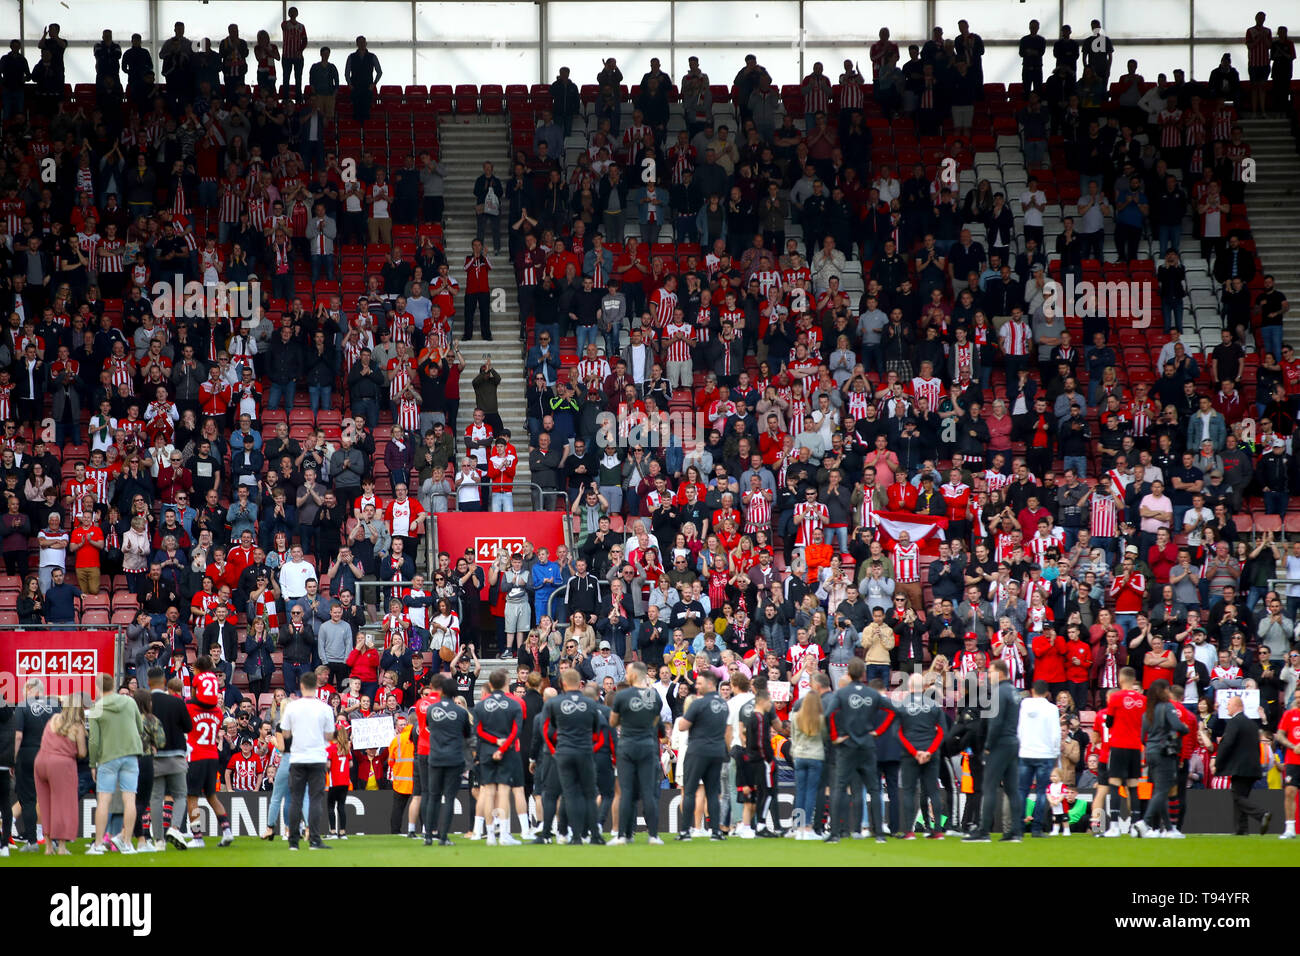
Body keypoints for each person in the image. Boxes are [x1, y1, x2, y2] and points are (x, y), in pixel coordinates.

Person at [824, 657, 895, 843]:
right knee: (874, 789)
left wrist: (835, 737)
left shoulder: (841, 693)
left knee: (839, 788)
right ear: (864, 673)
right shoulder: (872, 694)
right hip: (867, 746)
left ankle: (835, 834)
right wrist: (878, 731)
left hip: (846, 747)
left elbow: (828, 715)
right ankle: (879, 833)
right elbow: (893, 711)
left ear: (848, 673)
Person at [539, 669, 601, 844]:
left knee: (570, 793)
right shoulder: (590, 703)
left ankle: (575, 837)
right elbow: (596, 730)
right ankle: (594, 835)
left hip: (564, 752)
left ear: (563, 684)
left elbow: (548, 730)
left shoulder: (555, 703)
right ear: (580, 683)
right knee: (589, 794)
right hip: (585, 751)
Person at [87, 673, 145, 854]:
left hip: (108, 757)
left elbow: (94, 740)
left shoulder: (97, 707)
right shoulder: (130, 702)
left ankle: (97, 844)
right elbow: (140, 727)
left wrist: (92, 764)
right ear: (113, 686)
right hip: (131, 754)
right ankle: (127, 843)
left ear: (97, 688)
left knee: (104, 800)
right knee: (130, 800)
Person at [965, 660, 1022, 842]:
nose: (989, 675)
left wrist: (988, 746)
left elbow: (995, 722)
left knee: (988, 787)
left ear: (1000, 672)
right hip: (1013, 742)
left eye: (991, 672)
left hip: (1000, 744)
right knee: (1012, 790)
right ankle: (1016, 832)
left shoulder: (999, 692)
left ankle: (983, 831)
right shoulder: (1014, 691)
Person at [279, 670, 336, 851]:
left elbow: (285, 733)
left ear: (302, 686)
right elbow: (329, 735)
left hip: (297, 758)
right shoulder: (325, 708)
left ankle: (293, 842)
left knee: (296, 799)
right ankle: (314, 840)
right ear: (316, 686)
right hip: (317, 757)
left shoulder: (291, 707)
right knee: (315, 799)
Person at [609, 662, 665, 845]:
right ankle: (653, 836)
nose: (626, 675)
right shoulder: (653, 695)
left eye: (627, 672)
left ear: (633, 675)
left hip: (627, 745)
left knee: (626, 792)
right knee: (648, 792)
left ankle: (624, 836)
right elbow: (657, 721)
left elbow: (613, 721)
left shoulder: (622, 695)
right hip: (648, 746)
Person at [184, 657, 234, 848]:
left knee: (192, 798)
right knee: (212, 796)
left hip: (196, 756)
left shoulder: (190, 709)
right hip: (212, 755)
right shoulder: (219, 713)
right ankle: (227, 831)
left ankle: (197, 838)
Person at [675, 668, 729, 841]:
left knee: (690, 791)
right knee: (713, 793)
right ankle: (715, 832)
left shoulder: (698, 703)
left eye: (699, 683)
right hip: (717, 751)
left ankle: (685, 832)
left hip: (697, 751)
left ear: (710, 684)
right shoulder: (723, 704)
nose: (696, 686)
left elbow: (682, 726)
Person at [472, 668, 524, 845]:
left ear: (491, 684)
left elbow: (478, 731)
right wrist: (501, 746)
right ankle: (504, 834)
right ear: (505, 683)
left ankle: (490, 836)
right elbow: (516, 732)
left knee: (488, 792)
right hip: (507, 751)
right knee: (503, 792)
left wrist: (494, 741)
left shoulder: (480, 706)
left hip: (486, 751)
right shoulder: (514, 704)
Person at [1134, 679, 1189, 838]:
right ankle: (1144, 822)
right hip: (1164, 752)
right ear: (1164, 691)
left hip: (1150, 752)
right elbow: (1178, 726)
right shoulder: (1167, 707)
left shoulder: (1147, 712)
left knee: (1159, 790)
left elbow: (1142, 737)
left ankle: (1169, 829)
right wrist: (1185, 728)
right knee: (1163, 790)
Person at [897, 672, 947, 840]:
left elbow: (898, 733)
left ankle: (909, 831)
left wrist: (915, 752)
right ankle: (938, 830)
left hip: (909, 755)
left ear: (909, 687)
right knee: (933, 790)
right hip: (931, 755)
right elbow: (942, 732)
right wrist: (929, 752)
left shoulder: (902, 706)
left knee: (910, 791)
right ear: (924, 688)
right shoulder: (934, 705)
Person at [422, 677, 471, 846]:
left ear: (441, 691)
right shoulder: (462, 712)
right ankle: (443, 837)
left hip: (435, 757)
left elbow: (429, 726)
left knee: (433, 797)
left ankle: (428, 836)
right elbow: (467, 734)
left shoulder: (432, 710)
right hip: (454, 758)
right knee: (449, 798)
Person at [1215, 693, 1272, 836]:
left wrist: (1218, 762)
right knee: (1241, 797)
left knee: (1237, 797)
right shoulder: (1252, 724)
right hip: (1252, 767)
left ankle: (1262, 814)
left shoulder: (1234, 722)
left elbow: (1227, 744)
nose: (1226, 706)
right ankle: (1241, 830)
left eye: (1228, 704)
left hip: (1240, 767)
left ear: (1236, 706)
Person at [33, 695, 83, 856]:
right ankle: (61, 847)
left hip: (40, 761)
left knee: (44, 803)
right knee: (63, 806)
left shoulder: (53, 718)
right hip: (61, 765)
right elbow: (82, 752)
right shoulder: (78, 726)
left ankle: (48, 847)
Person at [1101, 667, 1145, 837]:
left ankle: (1114, 826)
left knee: (1115, 784)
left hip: (1119, 745)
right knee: (1133, 786)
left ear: (1120, 679)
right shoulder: (1142, 699)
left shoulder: (1116, 697)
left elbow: (1109, 722)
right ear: (1134, 680)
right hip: (1135, 747)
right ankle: (1135, 825)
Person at [1016, 680, 1060, 838]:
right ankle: (1036, 829)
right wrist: (1056, 755)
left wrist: (1020, 748)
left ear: (1032, 690)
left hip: (1025, 752)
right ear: (1047, 693)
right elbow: (1056, 734)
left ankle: (1019, 827)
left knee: (1022, 791)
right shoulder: (1052, 709)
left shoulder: (1024, 706)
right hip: (1045, 754)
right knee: (1041, 792)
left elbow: (1019, 729)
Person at [1275, 690, 1300, 839]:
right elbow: (1280, 735)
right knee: (1290, 792)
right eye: (1296, 697)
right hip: (1292, 760)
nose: (1298, 699)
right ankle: (1290, 828)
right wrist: (1292, 746)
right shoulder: (1289, 714)